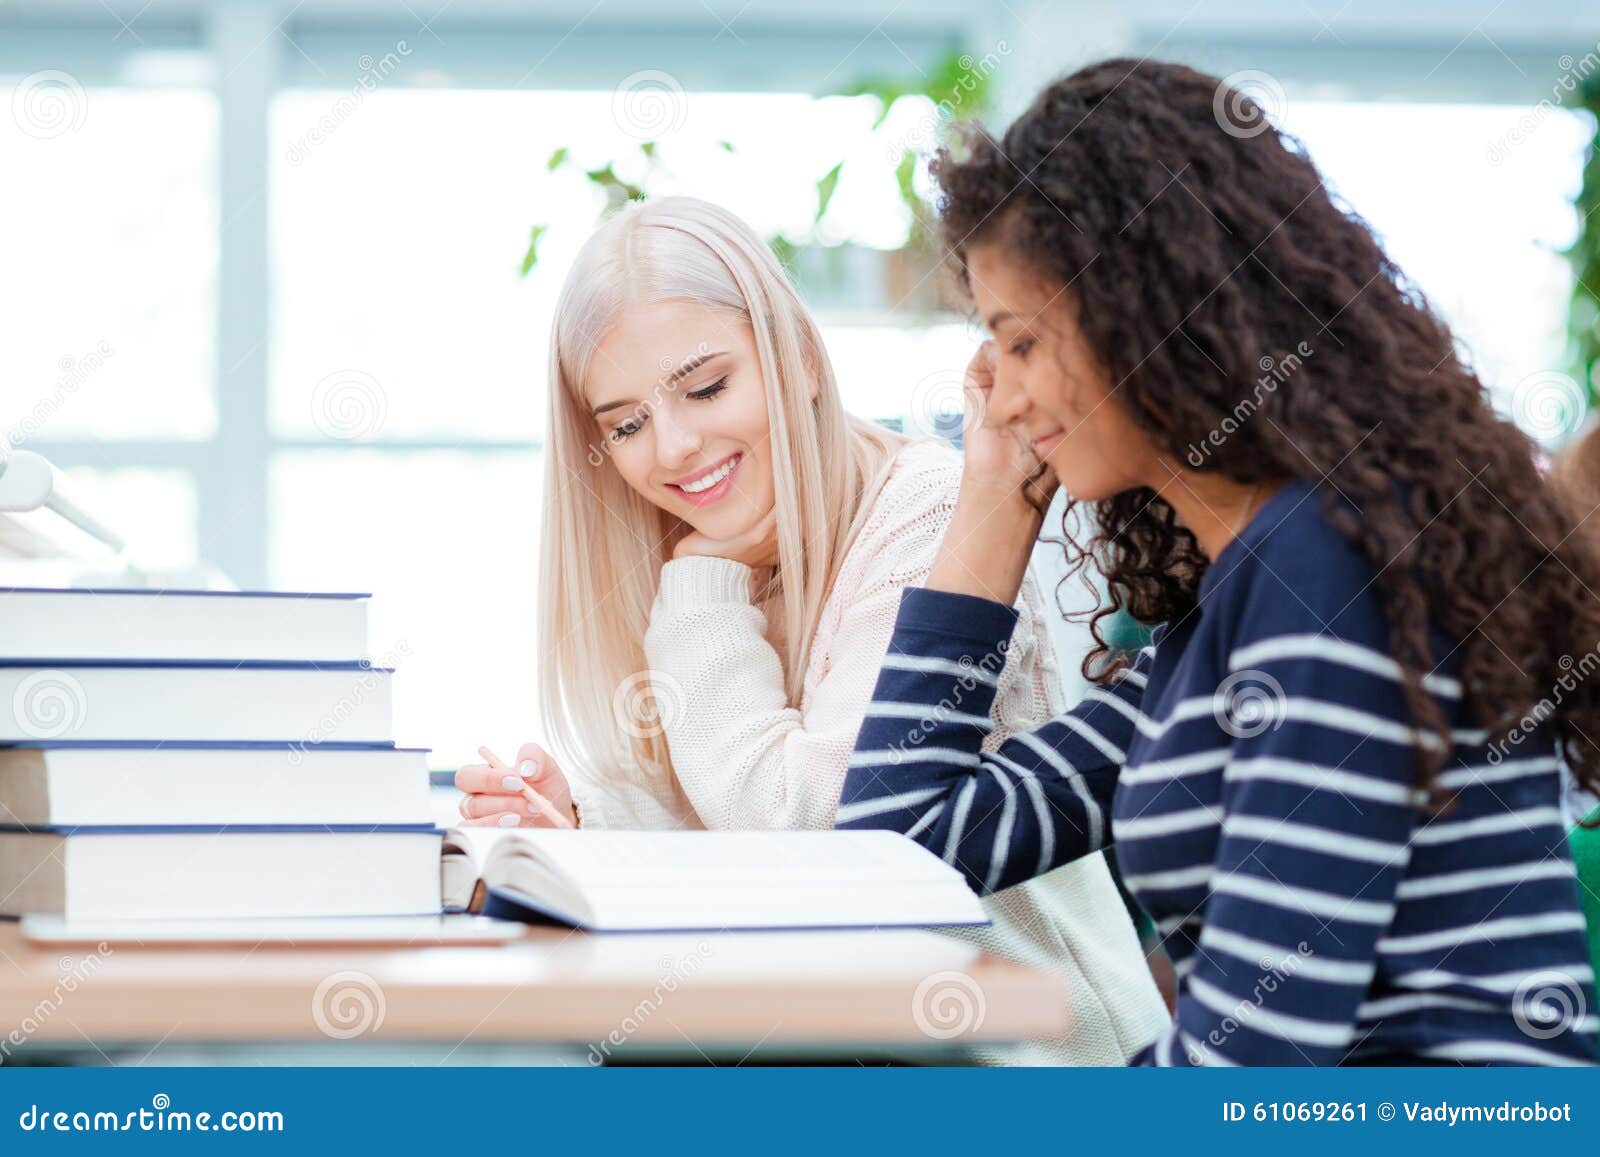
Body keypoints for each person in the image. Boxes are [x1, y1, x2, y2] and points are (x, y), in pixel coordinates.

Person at [839, 59, 1600, 1065]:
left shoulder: (1323, 566)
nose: (1003, 397)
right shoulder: (1223, 616)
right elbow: (894, 858)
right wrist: (993, 501)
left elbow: (1253, 1062)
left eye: (1020, 342)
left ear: (1145, 311)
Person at [454, 195, 1170, 1063]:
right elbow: (728, 831)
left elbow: (819, 849)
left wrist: (699, 589)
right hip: (865, 1055)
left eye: (706, 387)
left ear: (799, 357)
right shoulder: (714, 542)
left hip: (1039, 1063)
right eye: (627, 425)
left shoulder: (928, 511)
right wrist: (584, 822)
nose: (673, 447)